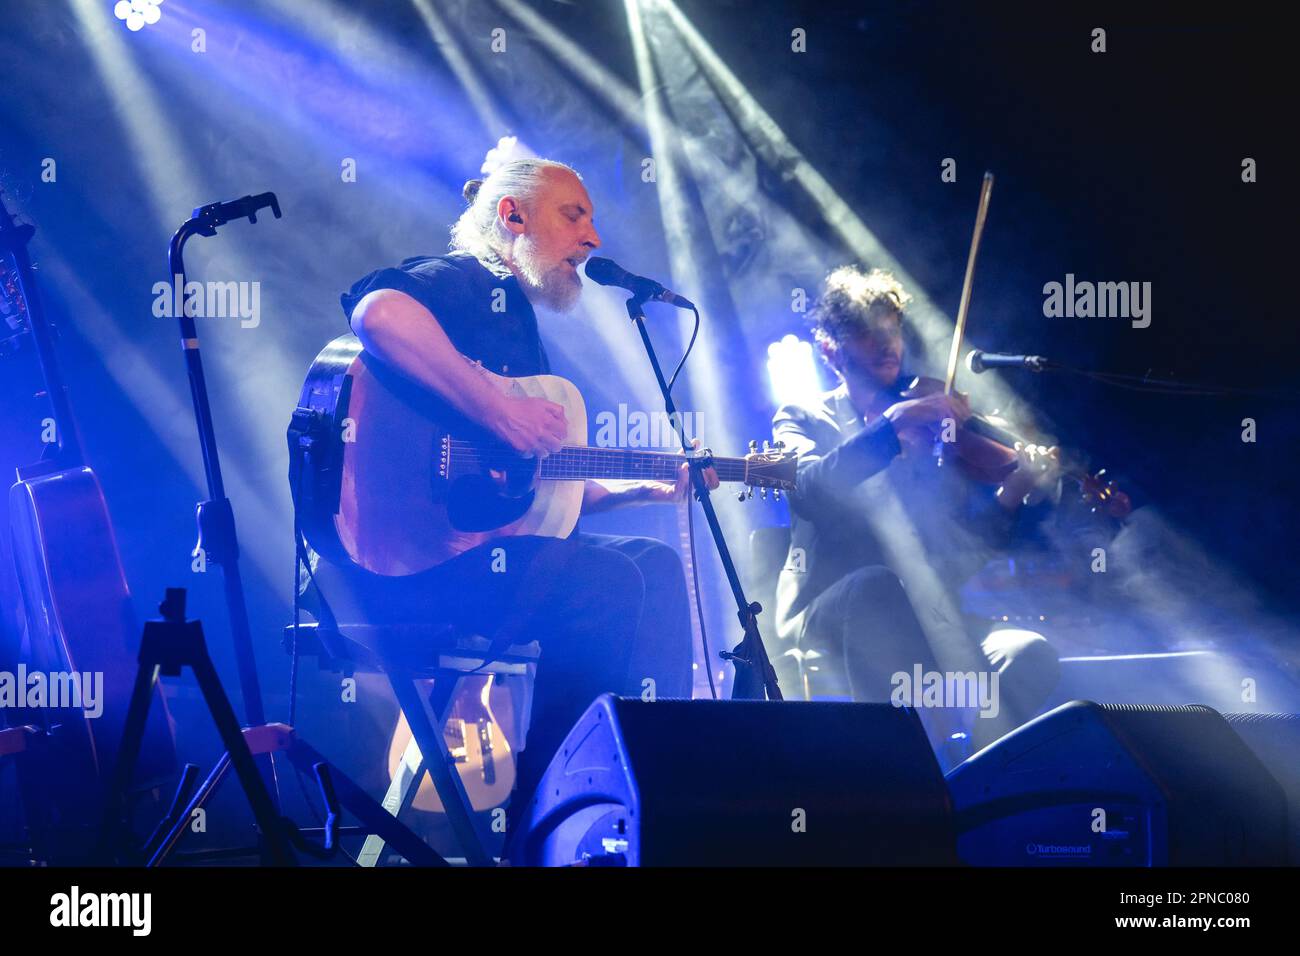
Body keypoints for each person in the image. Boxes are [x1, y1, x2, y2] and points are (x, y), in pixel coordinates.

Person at [325, 157, 717, 856]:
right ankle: (549, 824)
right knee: (603, 584)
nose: (593, 237)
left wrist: (641, 491)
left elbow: (528, 500)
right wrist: (497, 409)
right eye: (574, 214)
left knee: (651, 567)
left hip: (473, 560)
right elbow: (376, 314)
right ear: (512, 216)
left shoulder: (517, 328)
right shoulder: (470, 282)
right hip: (400, 566)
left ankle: (652, 799)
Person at [772, 265, 1061, 758]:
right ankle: (897, 771)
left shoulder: (930, 428)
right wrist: (892, 425)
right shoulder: (805, 417)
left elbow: (956, 556)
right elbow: (809, 489)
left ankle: (971, 777)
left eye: (891, 328)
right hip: (828, 609)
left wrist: (1013, 491)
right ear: (829, 348)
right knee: (875, 586)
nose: (886, 343)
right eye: (866, 331)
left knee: (1027, 653)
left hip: (926, 616)